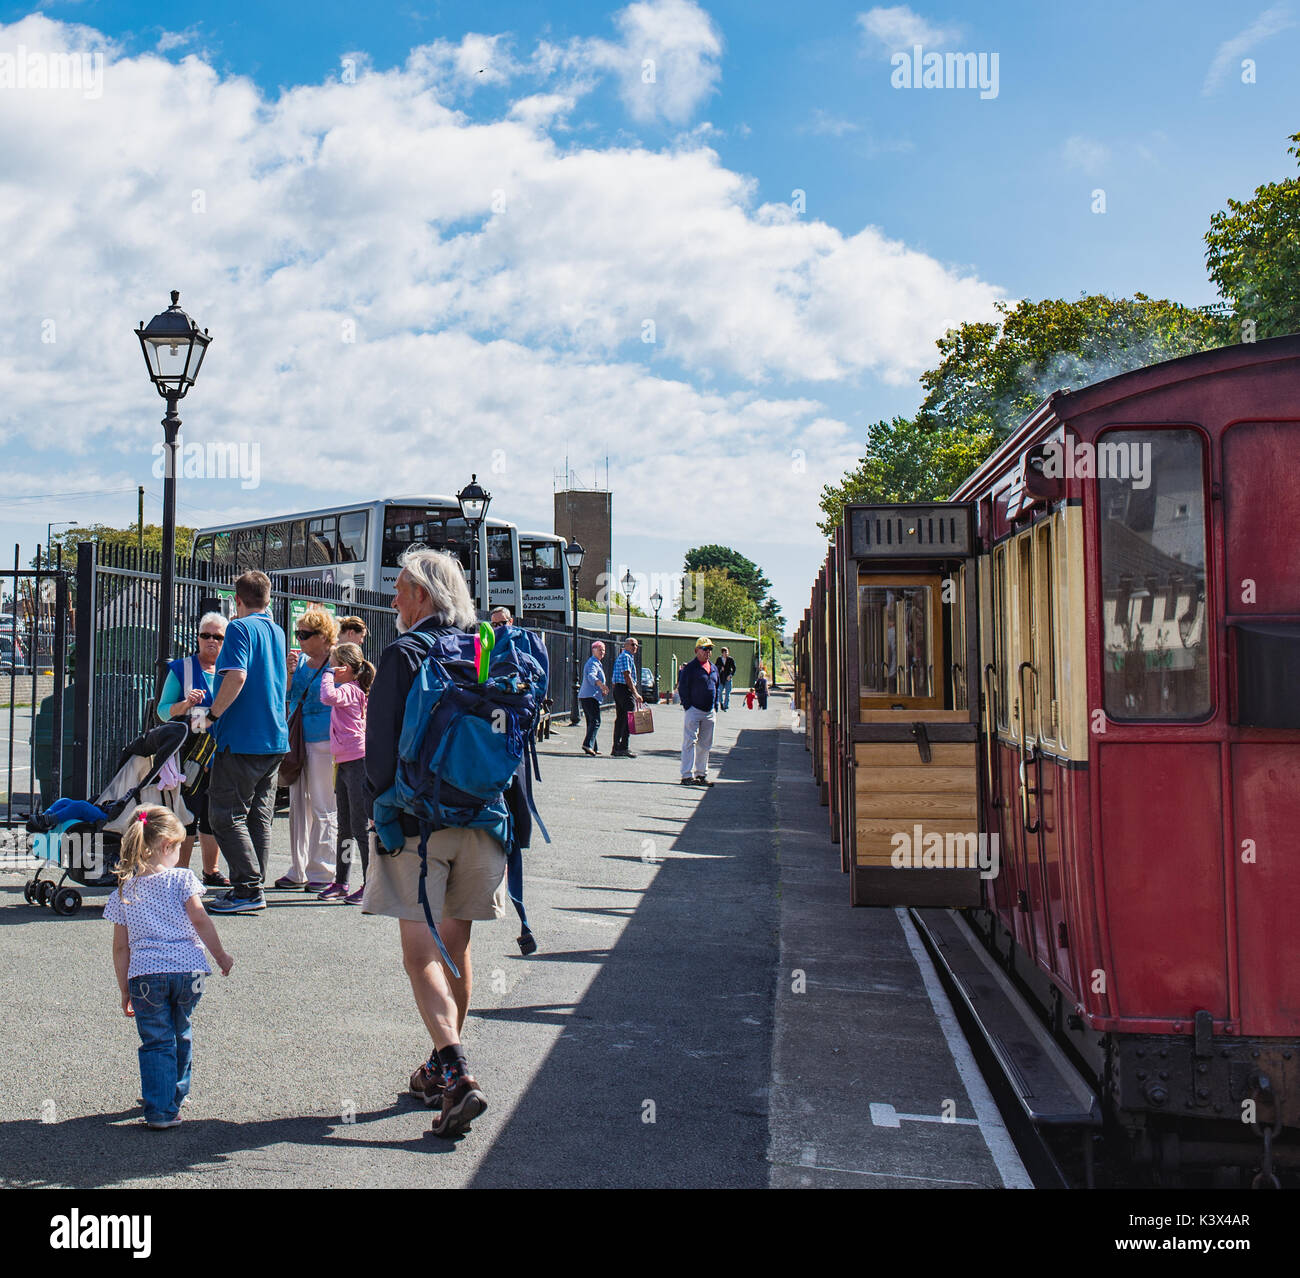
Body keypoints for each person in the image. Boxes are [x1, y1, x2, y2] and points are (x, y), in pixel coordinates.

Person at [364, 547, 510, 1140]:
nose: (393, 599)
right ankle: (438, 1065)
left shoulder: (403, 654)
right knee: (456, 947)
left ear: (423, 596)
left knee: (420, 953)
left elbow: (379, 751)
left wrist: (379, 812)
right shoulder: (484, 648)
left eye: (400, 589)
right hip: (482, 819)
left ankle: (454, 1072)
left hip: (419, 823)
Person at [106, 805, 233, 1129]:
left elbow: (121, 947)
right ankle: (174, 1094)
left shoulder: (125, 889)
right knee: (181, 1029)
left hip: (146, 976)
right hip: (189, 972)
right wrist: (219, 955)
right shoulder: (183, 879)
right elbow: (200, 919)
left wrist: (125, 988)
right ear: (166, 847)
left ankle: (160, 1108)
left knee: (156, 1040)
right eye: (178, 847)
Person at [206, 571, 289, 915]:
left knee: (225, 815)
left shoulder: (239, 628)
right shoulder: (277, 631)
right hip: (274, 737)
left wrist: (212, 715)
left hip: (242, 737)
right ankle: (254, 884)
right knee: (258, 815)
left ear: (236, 599)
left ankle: (247, 887)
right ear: (267, 598)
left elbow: (237, 676)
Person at [156, 611, 229, 887]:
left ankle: (211, 870)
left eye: (218, 637)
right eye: (205, 635)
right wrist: (184, 705)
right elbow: (163, 712)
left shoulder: (231, 671)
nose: (211, 641)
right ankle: (181, 872)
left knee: (214, 814)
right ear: (197, 638)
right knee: (187, 812)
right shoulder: (182, 669)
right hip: (189, 754)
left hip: (220, 752)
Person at [279, 608, 340, 891]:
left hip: (326, 740)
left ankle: (323, 870)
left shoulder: (338, 661)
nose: (299, 639)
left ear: (323, 635)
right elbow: (288, 695)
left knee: (323, 805)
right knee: (297, 805)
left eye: (305, 634)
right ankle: (298, 867)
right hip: (299, 738)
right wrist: (290, 672)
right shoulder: (301, 660)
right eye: (298, 633)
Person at [316, 642, 375, 905]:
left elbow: (327, 697)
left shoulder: (350, 690)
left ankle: (370, 883)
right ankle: (341, 881)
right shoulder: (354, 689)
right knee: (345, 826)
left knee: (360, 826)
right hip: (344, 761)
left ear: (345, 668)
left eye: (333, 664)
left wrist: (328, 675)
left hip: (357, 762)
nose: (329, 669)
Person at [677, 638, 719, 787]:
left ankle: (701, 774)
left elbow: (717, 686)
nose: (708, 652)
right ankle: (686, 775)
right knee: (689, 742)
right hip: (694, 709)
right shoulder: (690, 668)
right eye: (704, 648)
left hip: (709, 711)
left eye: (710, 649)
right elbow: (683, 688)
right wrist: (688, 706)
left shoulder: (713, 668)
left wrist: (715, 705)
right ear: (696, 650)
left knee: (705, 744)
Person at [610, 637, 644, 759]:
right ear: (626, 646)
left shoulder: (625, 657)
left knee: (621, 718)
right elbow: (627, 675)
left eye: (636, 645)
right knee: (628, 718)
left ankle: (616, 747)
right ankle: (623, 746)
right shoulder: (626, 657)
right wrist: (635, 693)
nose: (635, 647)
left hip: (619, 689)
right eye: (633, 644)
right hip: (624, 689)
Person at [578, 640, 608, 756]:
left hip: (589, 696)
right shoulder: (593, 663)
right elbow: (591, 676)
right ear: (593, 650)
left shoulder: (596, 662)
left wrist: (601, 689)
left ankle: (593, 746)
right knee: (595, 721)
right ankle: (587, 744)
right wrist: (600, 685)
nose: (602, 652)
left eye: (603, 650)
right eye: (600, 649)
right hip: (589, 696)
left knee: (591, 722)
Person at [716, 647, 737, 712]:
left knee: (727, 693)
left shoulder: (731, 659)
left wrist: (730, 675)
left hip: (728, 678)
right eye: (725, 652)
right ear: (722, 653)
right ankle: (721, 703)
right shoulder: (719, 659)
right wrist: (720, 668)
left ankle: (726, 706)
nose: (726, 653)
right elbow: (715, 667)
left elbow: (734, 668)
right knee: (719, 692)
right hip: (721, 678)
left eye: (727, 652)